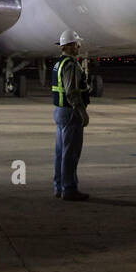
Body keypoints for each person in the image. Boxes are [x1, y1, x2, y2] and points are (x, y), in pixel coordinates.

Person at [52, 29, 91, 201]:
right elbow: (72, 92)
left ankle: (59, 187)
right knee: (71, 153)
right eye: (76, 43)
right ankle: (69, 189)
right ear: (69, 46)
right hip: (71, 112)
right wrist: (82, 112)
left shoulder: (58, 63)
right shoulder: (70, 65)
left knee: (61, 152)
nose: (79, 46)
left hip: (60, 112)